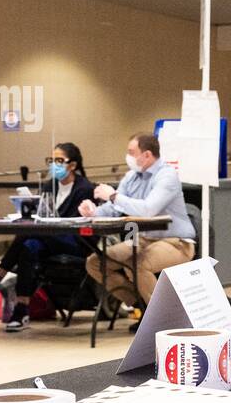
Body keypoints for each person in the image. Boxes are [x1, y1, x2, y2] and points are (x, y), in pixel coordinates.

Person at [0, 142, 95, 332]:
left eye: (59, 160)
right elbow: (41, 213)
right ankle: (21, 311)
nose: (53, 164)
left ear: (72, 165)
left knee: (30, 232)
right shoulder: (49, 186)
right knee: (28, 246)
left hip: (74, 242)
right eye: (51, 160)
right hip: (48, 238)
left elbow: (74, 224)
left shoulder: (84, 188)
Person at [81, 133, 195, 328]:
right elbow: (112, 207)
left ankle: (163, 321)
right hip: (143, 240)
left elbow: (148, 210)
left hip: (176, 242)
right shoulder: (132, 176)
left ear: (147, 155)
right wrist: (93, 211)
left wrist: (114, 196)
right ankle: (141, 305)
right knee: (95, 263)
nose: (128, 156)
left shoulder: (167, 176)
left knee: (138, 264)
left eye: (132, 152)